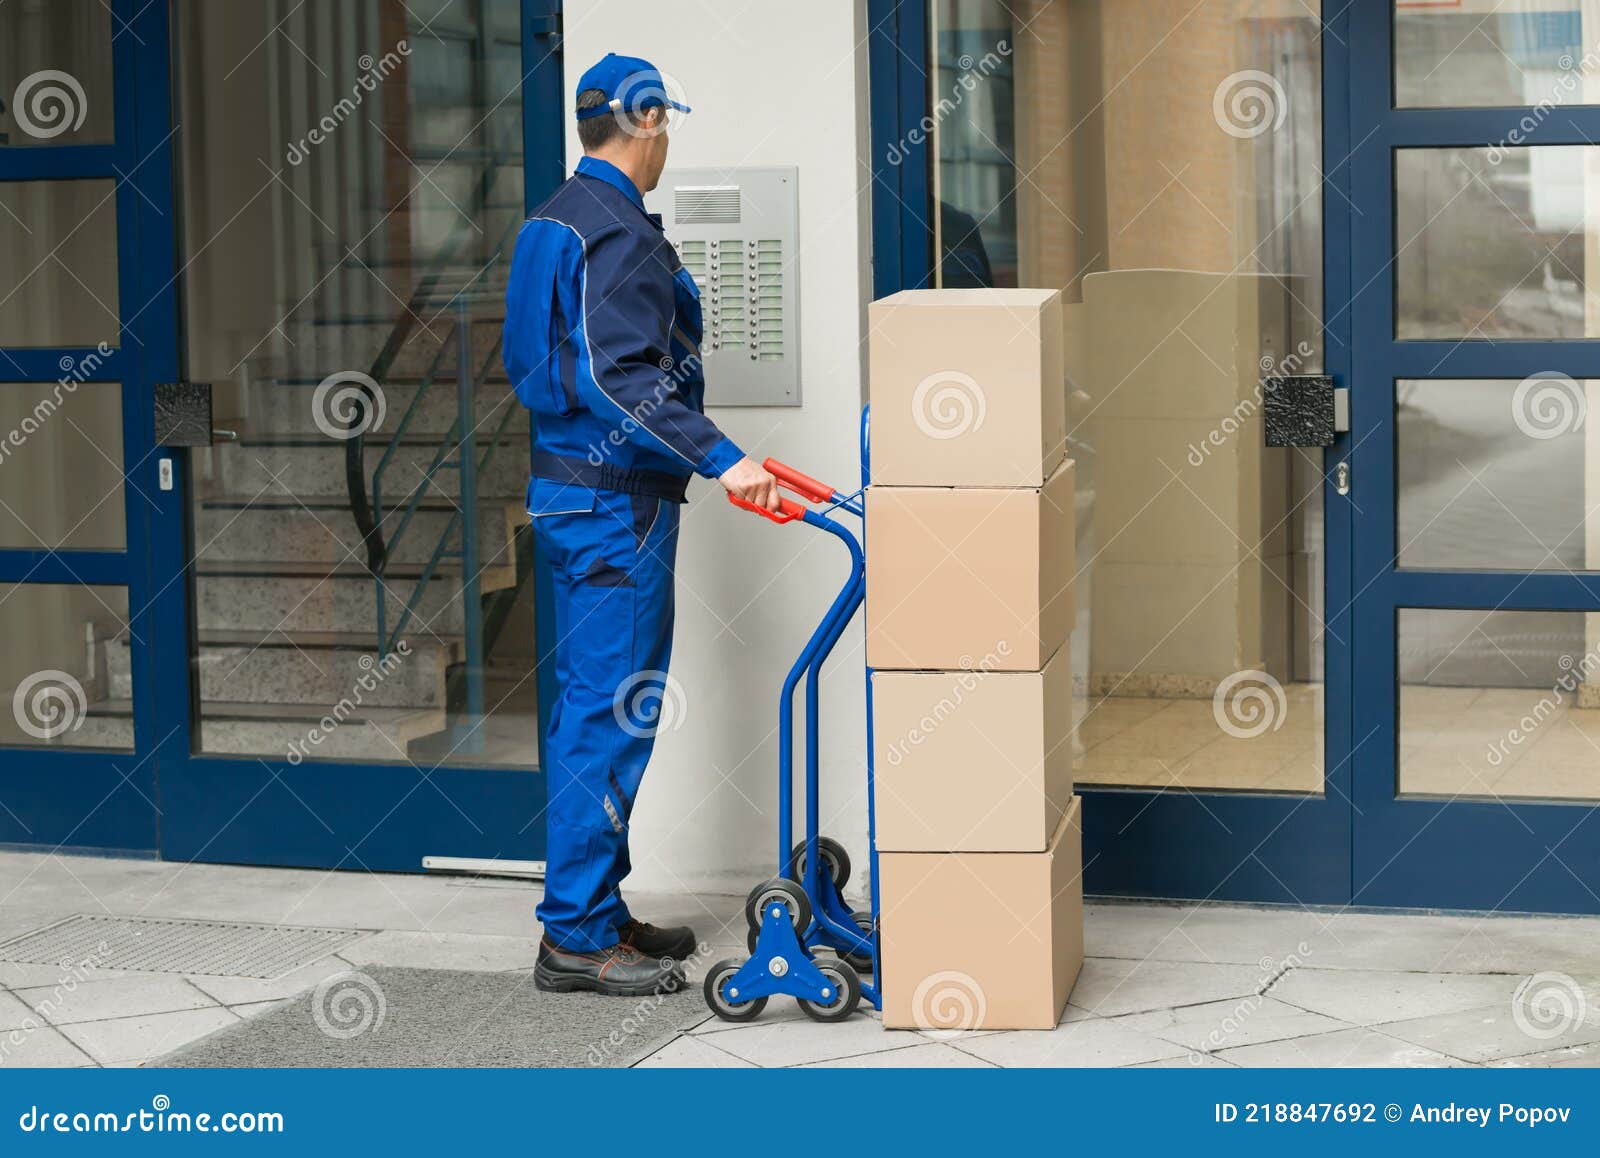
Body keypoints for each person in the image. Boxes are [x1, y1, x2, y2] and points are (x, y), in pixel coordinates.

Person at [502, 53, 781, 996]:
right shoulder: (615, 230)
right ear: (647, 119)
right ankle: (576, 937)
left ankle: (597, 906)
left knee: (594, 707)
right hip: (616, 506)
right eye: (667, 121)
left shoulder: (553, 219)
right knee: (605, 719)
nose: (668, 141)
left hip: (574, 496)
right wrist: (726, 458)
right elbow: (621, 379)